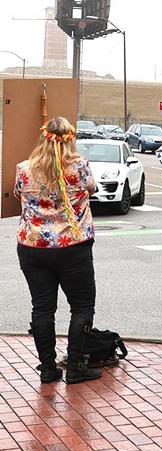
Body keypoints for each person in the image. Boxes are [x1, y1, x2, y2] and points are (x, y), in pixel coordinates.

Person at [14, 117, 100, 385]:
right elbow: (93, 189)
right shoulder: (80, 168)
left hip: (33, 247)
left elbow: (18, 194)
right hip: (73, 246)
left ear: (43, 137)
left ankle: (48, 368)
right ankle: (75, 365)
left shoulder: (24, 169)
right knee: (82, 305)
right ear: (70, 138)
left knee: (42, 308)